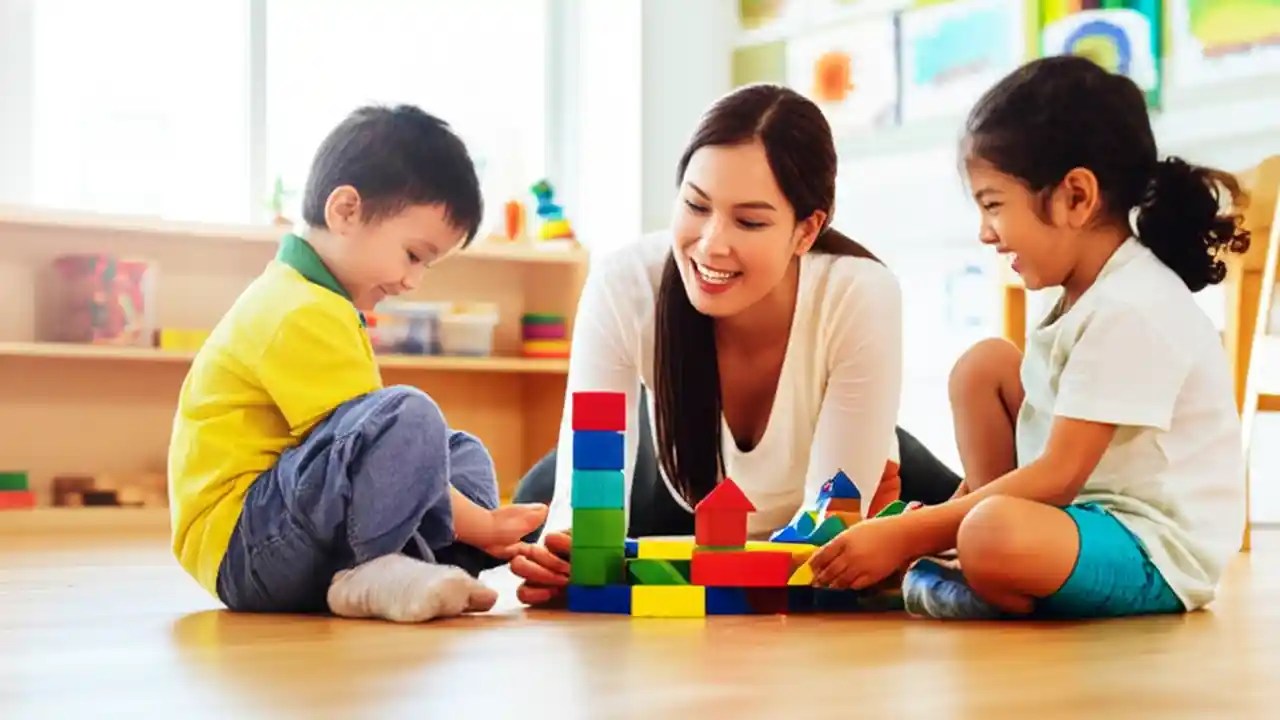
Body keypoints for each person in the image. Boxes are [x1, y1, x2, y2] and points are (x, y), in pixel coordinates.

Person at [809, 56, 1251, 620]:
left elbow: (1058, 475)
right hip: (1078, 519)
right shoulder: (1082, 293)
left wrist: (913, 535)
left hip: (1151, 549)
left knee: (991, 532)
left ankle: (983, 573)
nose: (985, 233)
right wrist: (936, 520)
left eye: (994, 205)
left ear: (1076, 197)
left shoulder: (1132, 306)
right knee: (984, 367)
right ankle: (975, 560)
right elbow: (1037, 446)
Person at [510, 83, 961, 606]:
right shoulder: (623, 282)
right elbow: (578, 520)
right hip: (675, 482)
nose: (711, 244)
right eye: (696, 206)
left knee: (958, 544)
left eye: (749, 221)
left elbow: (827, 541)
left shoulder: (860, 292)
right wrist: (566, 553)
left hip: (855, 459)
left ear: (806, 230)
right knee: (533, 515)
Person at [167, 104, 548, 623]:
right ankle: (378, 570)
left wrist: (479, 521)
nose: (413, 281)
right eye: (414, 256)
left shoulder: (319, 300)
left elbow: (370, 457)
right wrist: (480, 525)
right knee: (411, 417)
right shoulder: (300, 309)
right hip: (248, 545)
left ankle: (409, 571)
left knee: (457, 451)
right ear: (345, 210)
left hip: (290, 532)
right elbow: (373, 441)